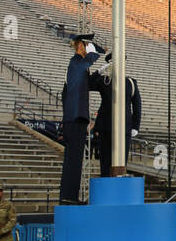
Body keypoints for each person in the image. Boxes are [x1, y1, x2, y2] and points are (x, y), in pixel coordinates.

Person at [60, 34, 107, 203]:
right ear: (80, 46)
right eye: (87, 45)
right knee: (73, 161)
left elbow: (86, 84)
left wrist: (101, 70)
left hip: (75, 117)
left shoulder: (80, 66)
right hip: (74, 118)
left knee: (76, 161)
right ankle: (68, 197)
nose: (89, 48)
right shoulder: (76, 63)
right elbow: (81, 72)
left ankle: (70, 196)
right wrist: (94, 55)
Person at [87, 68, 141, 178]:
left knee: (121, 163)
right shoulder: (105, 80)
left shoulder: (130, 82)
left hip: (124, 127)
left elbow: (137, 105)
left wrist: (135, 126)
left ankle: (117, 189)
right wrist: (99, 72)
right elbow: (88, 85)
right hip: (105, 127)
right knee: (105, 163)